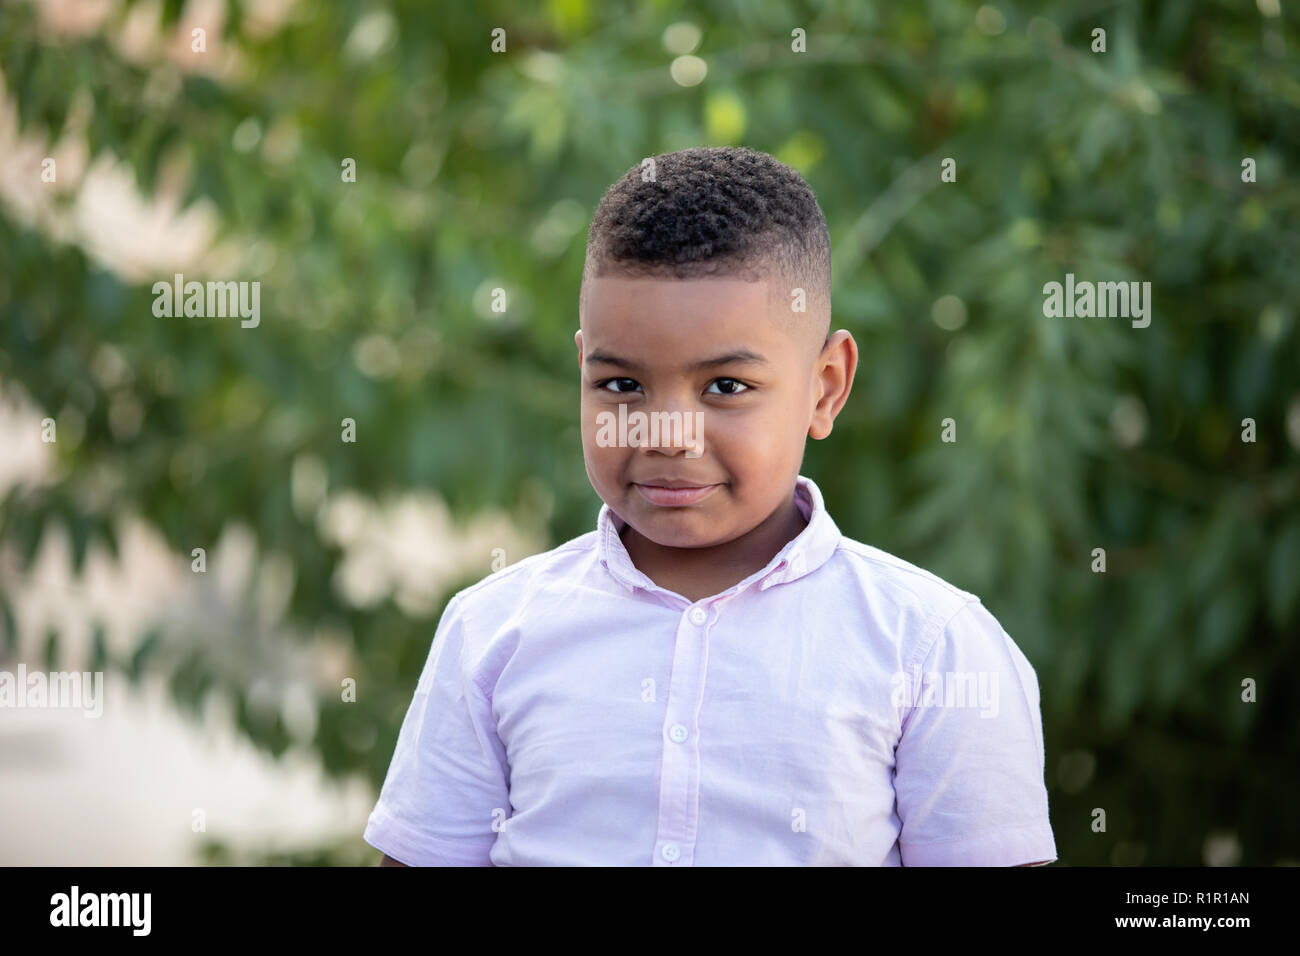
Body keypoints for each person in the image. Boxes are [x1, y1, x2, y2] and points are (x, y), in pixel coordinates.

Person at [364, 146, 1057, 866]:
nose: (667, 435)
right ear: (582, 372)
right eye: (621, 386)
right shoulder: (491, 635)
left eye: (725, 387)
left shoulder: (933, 648)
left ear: (824, 387)